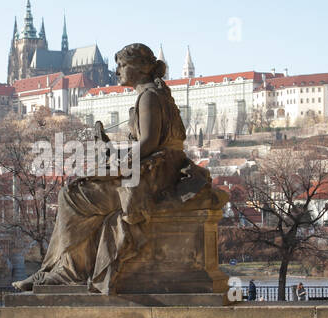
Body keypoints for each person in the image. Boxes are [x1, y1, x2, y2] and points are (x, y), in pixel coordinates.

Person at [13, 43, 210, 295]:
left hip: (153, 178)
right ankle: (56, 269)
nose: (116, 71)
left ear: (140, 68)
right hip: (157, 171)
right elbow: (148, 145)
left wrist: (114, 165)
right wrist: (111, 151)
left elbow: (149, 143)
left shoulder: (149, 96)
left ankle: (67, 272)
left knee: (71, 197)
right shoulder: (158, 94)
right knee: (78, 192)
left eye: (121, 66)